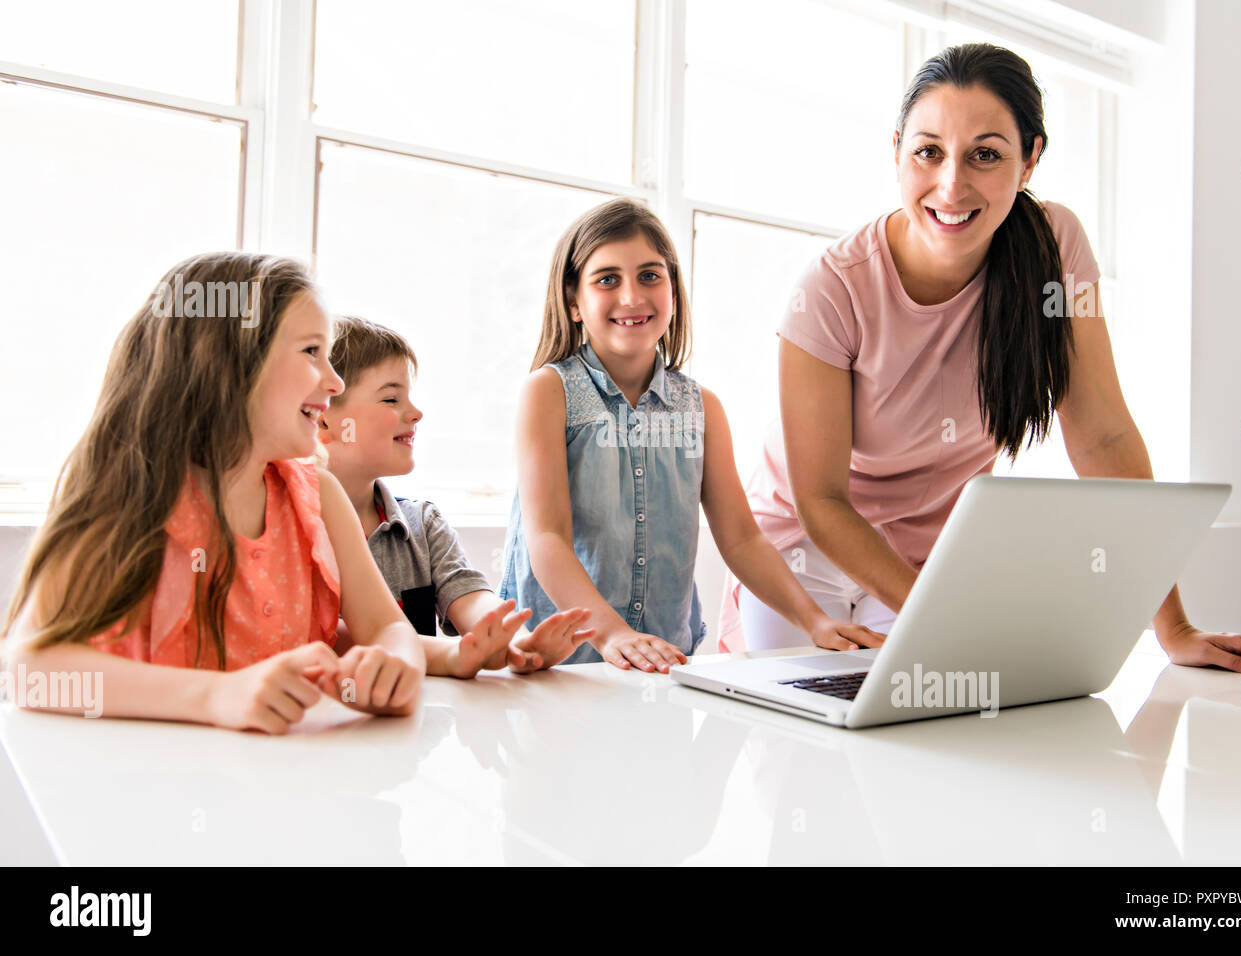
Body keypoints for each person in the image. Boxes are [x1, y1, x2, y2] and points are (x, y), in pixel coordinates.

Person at [721, 42, 1241, 675]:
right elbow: (823, 500)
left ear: (1029, 161)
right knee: (809, 742)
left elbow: (1104, 436)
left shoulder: (1057, 250)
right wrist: (945, 622)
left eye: (986, 155)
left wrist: (1174, 628)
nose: (951, 183)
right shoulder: (830, 288)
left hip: (932, 553)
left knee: (944, 731)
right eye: (928, 152)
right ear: (896, 153)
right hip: (805, 550)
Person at [2, 252, 426, 733]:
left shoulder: (319, 498)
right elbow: (30, 674)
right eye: (311, 352)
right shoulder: (132, 497)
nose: (334, 381)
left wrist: (396, 665)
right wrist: (219, 696)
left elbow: (388, 627)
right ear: (230, 365)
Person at [499, 198, 882, 673]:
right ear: (574, 302)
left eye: (650, 275)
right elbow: (547, 539)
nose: (632, 296)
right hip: (560, 663)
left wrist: (815, 622)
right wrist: (612, 632)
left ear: (674, 294)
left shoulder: (703, 408)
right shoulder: (549, 392)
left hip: (662, 657)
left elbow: (742, 539)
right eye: (607, 279)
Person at [318, 315, 594, 676]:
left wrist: (513, 640)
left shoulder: (423, 523)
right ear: (322, 417)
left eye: (409, 397)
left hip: (413, 720)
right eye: (390, 399)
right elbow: (337, 639)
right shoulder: (296, 526)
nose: (415, 413)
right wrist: (452, 657)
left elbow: (469, 597)